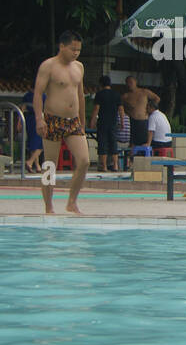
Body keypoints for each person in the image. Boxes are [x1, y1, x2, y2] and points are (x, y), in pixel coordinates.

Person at [32, 30, 89, 214]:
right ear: (62, 46)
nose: (75, 53)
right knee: (50, 165)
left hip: (73, 121)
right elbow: (37, 93)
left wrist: (82, 121)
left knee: (84, 161)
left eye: (78, 50)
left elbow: (80, 95)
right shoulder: (48, 66)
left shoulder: (79, 67)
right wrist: (39, 119)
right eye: (72, 49)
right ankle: (48, 205)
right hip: (52, 119)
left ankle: (72, 201)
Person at [88, 75, 123, 172]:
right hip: (113, 122)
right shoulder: (116, 94)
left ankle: (104, 166)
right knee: (113, 142)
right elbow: (121, 109)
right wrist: (122, 121)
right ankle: (115, 165)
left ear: (101, 84)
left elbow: (96, 109)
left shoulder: (100, 94)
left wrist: (92, 121)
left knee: (102, 143)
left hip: (103, 122)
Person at [120, 75, 160, 155]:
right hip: (133, 121)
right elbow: (119, 106)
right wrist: (127, 112)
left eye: (131, 82)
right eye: (127, 83)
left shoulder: (144, 92)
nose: (129, 84)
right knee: (133, 143)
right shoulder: (126, 96)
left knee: (144, 142)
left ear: (135, 82)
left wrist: (150, 109)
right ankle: (131, 159)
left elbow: (157, 98)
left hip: (144, 120)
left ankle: (145, 157)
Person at [20, 89, 44, 171]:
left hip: (28, 119)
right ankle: (30, 162)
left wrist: (20, 121)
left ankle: (37, 166)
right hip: (38, 119)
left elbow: (23, 108)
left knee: (33, 143)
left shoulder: (27, 95)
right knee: (41, 143)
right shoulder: (42, 96)